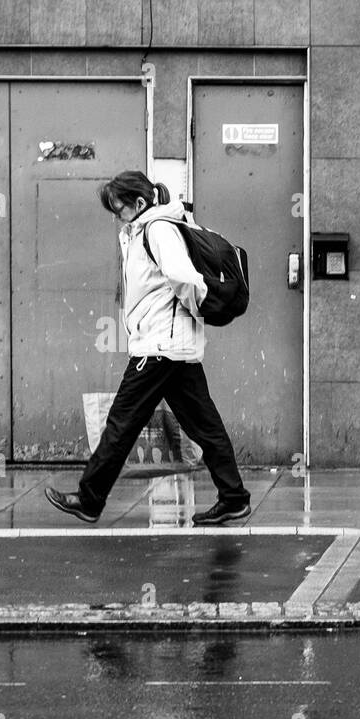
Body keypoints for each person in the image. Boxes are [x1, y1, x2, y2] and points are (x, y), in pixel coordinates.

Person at [45, 171, 252, 526]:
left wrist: (203, 306)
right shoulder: (145, 229)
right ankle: (233, 497)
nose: (116, 216)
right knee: (205, 426)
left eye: (119, 208)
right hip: (171, 349)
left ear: (139, 203)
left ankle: (90, 499)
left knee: (122, 423)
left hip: (158, 348)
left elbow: (183, 278)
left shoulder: (157, 229)